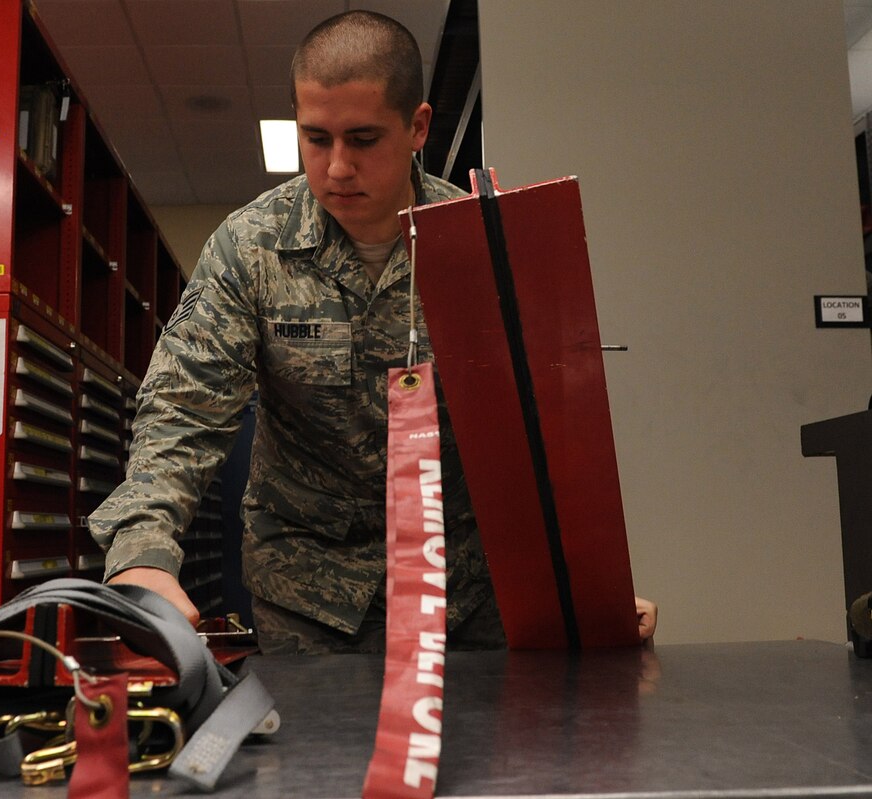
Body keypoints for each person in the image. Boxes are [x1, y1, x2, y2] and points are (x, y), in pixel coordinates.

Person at [89, 10, 657, 654]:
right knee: (317, 756)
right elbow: (181, 410)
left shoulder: (482, 245)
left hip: (466, 592)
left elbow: (544, 431)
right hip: (308, 595)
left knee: (490, 756)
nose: (335, 168)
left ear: (417, 127)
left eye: (362, 139)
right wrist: (142, 553)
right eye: (315, 138)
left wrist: (587, 586)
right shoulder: (252, 248)